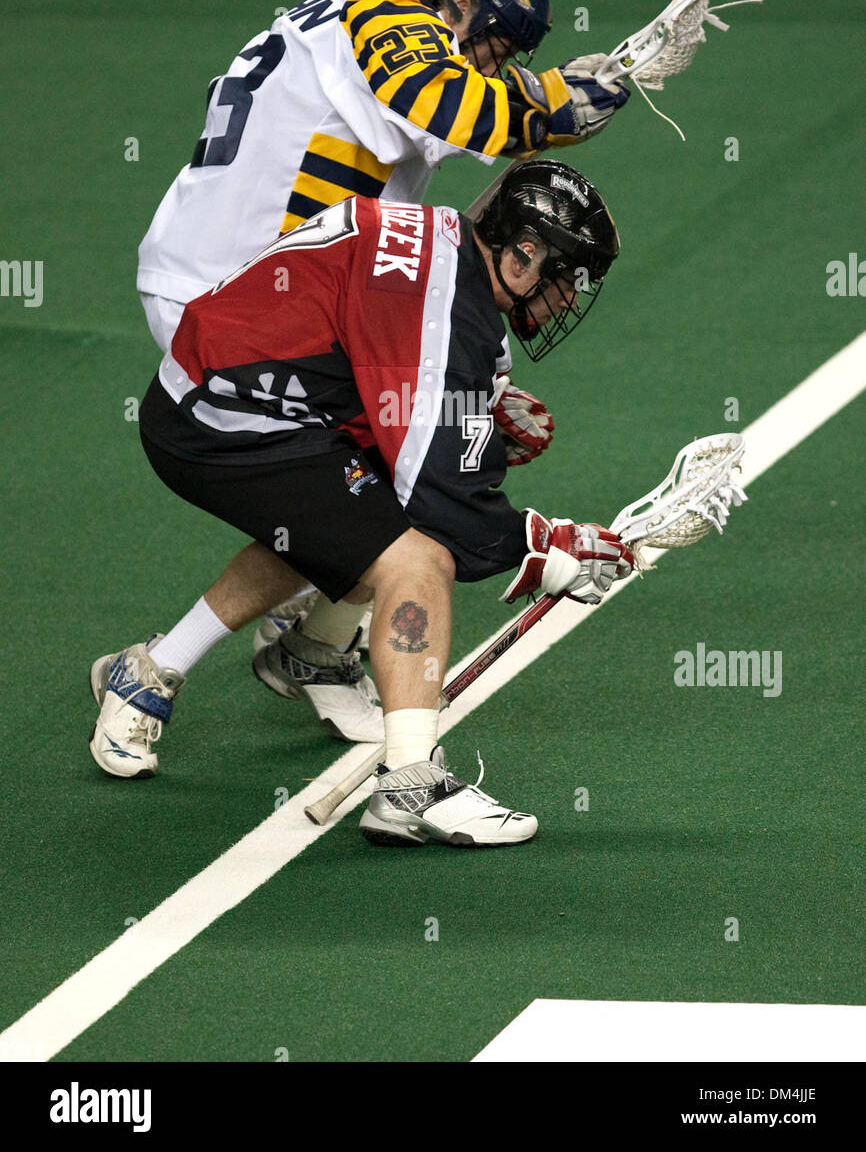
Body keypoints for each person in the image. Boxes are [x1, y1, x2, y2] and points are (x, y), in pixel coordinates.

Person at [91, 162, 633, 848]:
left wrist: (469, 420)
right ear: (523, 255)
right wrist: (548, 546)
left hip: (240, 388)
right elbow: (442, 508)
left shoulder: (446, 252)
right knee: (417, 559)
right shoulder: (451, 314)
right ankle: (410, 785)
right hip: (222, 422)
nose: (569, 296)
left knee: (353, 515)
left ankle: (182, 668)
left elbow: (416, 386)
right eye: (568, 276)